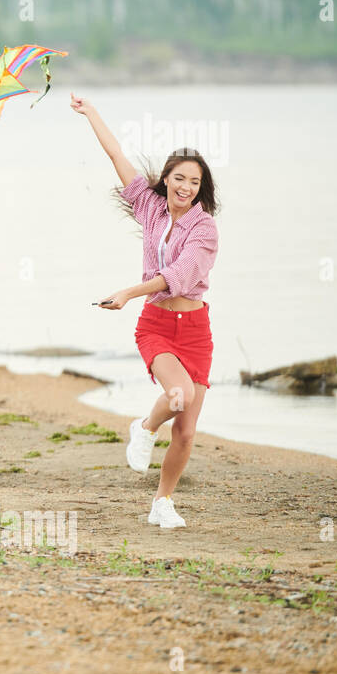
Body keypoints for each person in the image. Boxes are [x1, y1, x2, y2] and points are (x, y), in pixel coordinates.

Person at [71, 93, 219, 530]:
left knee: (188, 431)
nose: (185, 187)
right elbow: (116, 154)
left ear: (200, 188)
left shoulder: (205, 229)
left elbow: (177, 274)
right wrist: (91, 113)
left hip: (195, 330)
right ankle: (144, 427)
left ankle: (163, 502)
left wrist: (128, 291)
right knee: (180, 396)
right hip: (157, 326)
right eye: (179, 178)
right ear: (167, 179)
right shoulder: (151, 207)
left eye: (194, 182)